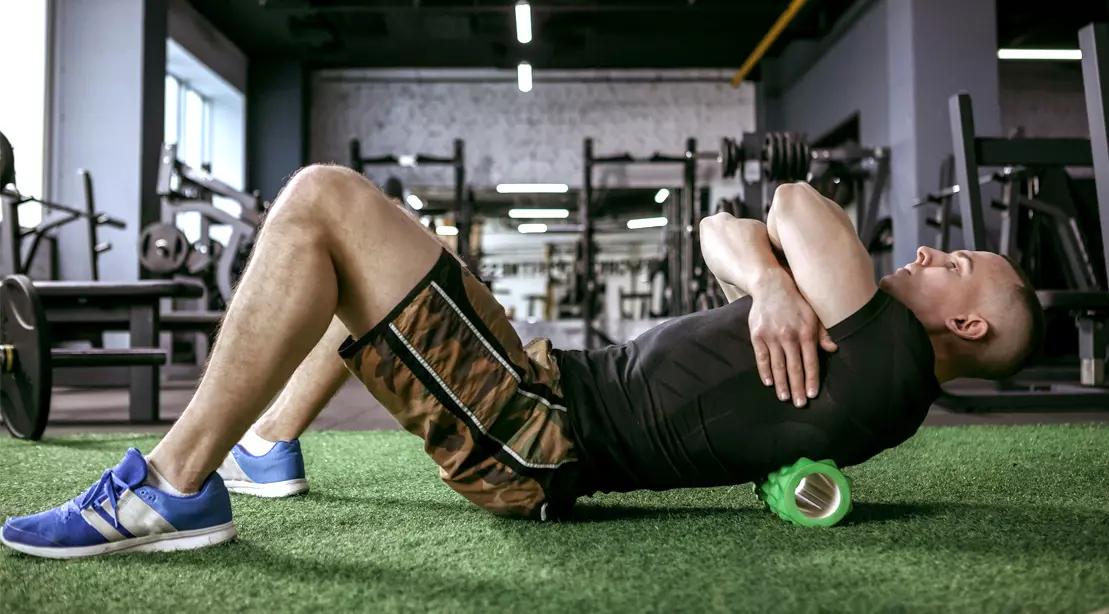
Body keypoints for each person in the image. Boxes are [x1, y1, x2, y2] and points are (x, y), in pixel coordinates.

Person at [0, 169, 1044, 559]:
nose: (928, 252)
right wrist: (767, 282)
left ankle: (171, 485)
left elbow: (784, 200)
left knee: (321, 201)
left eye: (955, 266)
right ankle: (268, 445)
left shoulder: (888, 353)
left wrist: (770, 267)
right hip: (548, 394)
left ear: (965, 331)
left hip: (539, 438)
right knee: (417, 259)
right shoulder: (857, 338)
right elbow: (726, 224)